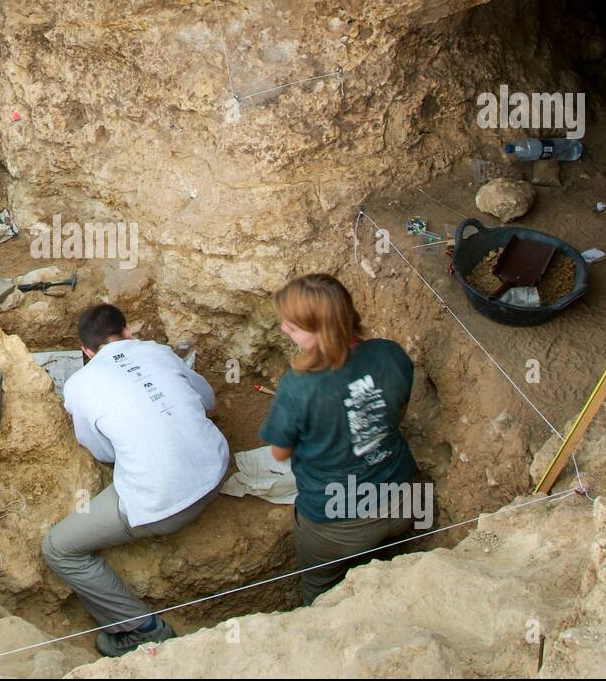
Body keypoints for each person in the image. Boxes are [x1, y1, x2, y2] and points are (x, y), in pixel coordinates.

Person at [43, 304, 228, 657]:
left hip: (166, 504)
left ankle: (143, 629)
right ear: (127, 331)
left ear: (85, 350)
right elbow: (207, 400)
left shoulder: (79, 384)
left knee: (58, 548)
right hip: (217, 468)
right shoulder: (157, 351)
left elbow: (103, 454)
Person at [260, 274, 425, 606]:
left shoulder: (299, 386)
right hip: (407, 500)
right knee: (382, 567)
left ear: (322, 332)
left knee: (320, 589)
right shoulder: (389, 353)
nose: (284, 331)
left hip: (337, 522)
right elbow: (400, 408)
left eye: (292, 328)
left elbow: (279, 452)